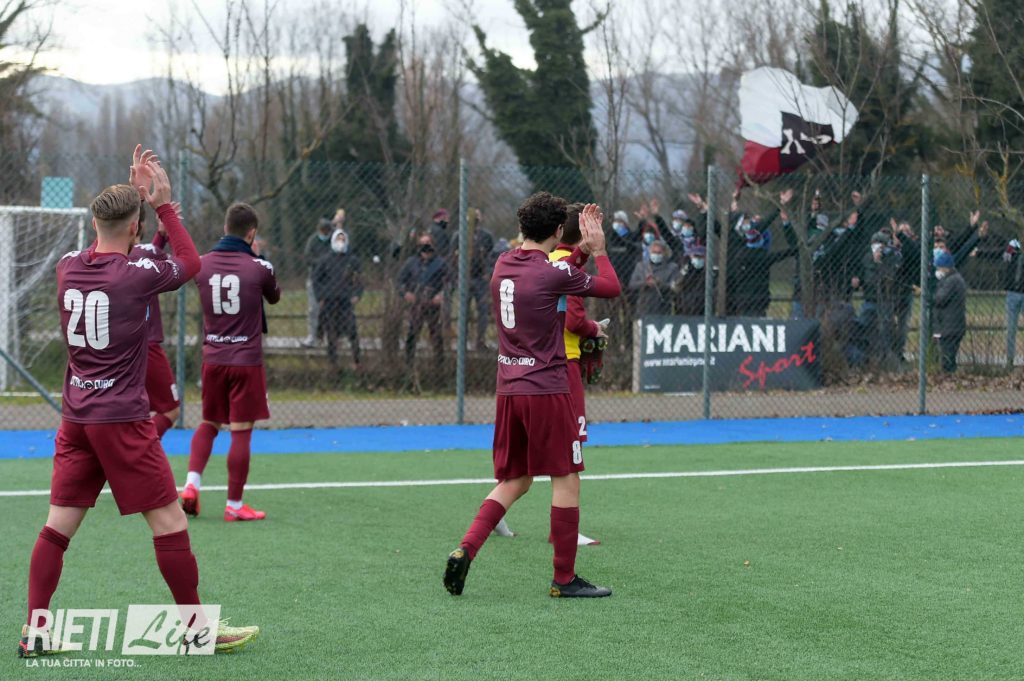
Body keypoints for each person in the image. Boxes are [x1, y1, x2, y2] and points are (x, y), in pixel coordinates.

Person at [19, 148, 258, 658]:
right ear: (135, 229)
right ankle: (197, 630)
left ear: (93, 222)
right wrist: (164, 206)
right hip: (124, 420)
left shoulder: (66, 268)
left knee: (57, 527)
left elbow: (104, 243)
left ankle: (34, 630)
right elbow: (191, 264)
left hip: (76, 420)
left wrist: (130, 206)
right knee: (170, 525)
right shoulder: (136, 275)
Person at [442, 195, 621, 599]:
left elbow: (551, 274)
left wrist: (579, 253)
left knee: (516, 480)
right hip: (547, 388)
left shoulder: (504, 263)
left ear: (524, 229)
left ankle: (466, 548)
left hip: (509, 388)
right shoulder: (550, 274)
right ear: (557, 231)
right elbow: (610, 288)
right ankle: (563, 579)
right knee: (566, 478)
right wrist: (599, 252)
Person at [181, 203, 281, 522]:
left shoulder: (201, 265)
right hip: (246, 361)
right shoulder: (259, 267)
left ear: (225, 228)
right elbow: (274, 296)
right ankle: (234, 505)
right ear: (251, 233)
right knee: (240, 432)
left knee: (209, 423)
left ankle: (191, 486)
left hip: (213, 357)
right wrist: (259, 258)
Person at [129, 202, 181, 438]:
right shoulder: (148, 254)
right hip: (147, 347)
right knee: (169, 411)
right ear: (139, 225)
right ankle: (139, 451)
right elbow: (182, 263)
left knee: (128, 414)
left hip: (116, 349)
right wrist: (171, 228)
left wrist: (160, 236)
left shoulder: (96, 256)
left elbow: (145, 253)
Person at [313, 228, 363, 370]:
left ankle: (357, 361)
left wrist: (357, 295)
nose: (340, 242)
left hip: (345, 302)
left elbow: (359, 281)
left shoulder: (352, 260)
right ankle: (333, 363)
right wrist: (321, 296)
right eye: (338, 239)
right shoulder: (325, 259)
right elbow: (316, 280)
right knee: (331, 333)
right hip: (330, 301)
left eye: (343, 239)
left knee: (352, 331)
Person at [399, 234, 448, 366]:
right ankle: (408, 365)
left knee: (436, 336)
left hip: (433, 304)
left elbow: (450, 283)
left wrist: (442, 295)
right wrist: (405, 293)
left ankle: (439, 365)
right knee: (412, 334)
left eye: (428, 243)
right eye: (422, 244)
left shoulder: (441, 263)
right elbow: (400, 281)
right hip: (416, 303)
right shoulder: (411, 263)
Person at [301, 217, 334, 347]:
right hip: (315, 279)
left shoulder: (333, 240)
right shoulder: (313, 241)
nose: (325, 233)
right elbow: (308, 258)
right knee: (313, 309)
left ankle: (330, 337)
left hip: (330, 280)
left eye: (327, 231)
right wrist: (320, 263)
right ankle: (312, 336)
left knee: (331, 309)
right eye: (323, 230)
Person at [932, 250, 967, 373]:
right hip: (952, 325)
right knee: (949, 355)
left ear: (945, 268)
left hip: (950, 326)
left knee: (947, 355)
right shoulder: (954, 279)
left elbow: (940, 299)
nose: (938, 270)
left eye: (939, 267)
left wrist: (928, 295)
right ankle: (949, 374)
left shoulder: (951, 281)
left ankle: (949, 377)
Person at [629, 239, 680, 317]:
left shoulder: (672, 267)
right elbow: (632, 285)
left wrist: (659, 283)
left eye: (659, 253)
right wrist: (645, 283)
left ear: (664, 253)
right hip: (644, 306)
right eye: (654, 252)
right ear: (649, 252)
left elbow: (675, 287)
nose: (656, 255)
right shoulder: (641, 266)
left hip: (663, 306)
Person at [469, 209, 496, 350]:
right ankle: (463, 341)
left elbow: (492, 257)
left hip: (481, 278)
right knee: (464, 310)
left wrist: (489, 272)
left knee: (483, 310)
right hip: (465, 278)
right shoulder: (460, 235)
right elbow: (452, 256)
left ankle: (480, 340)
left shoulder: (486, 236)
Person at [1001, 237, 1024, 366]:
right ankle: (1010, 360)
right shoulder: (1013, 244)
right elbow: (1003, 256)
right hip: (1012, 293)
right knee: (1011, 328)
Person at [674, 244, 708, 316]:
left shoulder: (709, 273)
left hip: (703, 309)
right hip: (684, 308)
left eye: (701, 257)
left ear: (705, 258)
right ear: (691, 257)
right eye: (696, 256)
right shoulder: (685, 271)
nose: (698, 259)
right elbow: (676, 288)